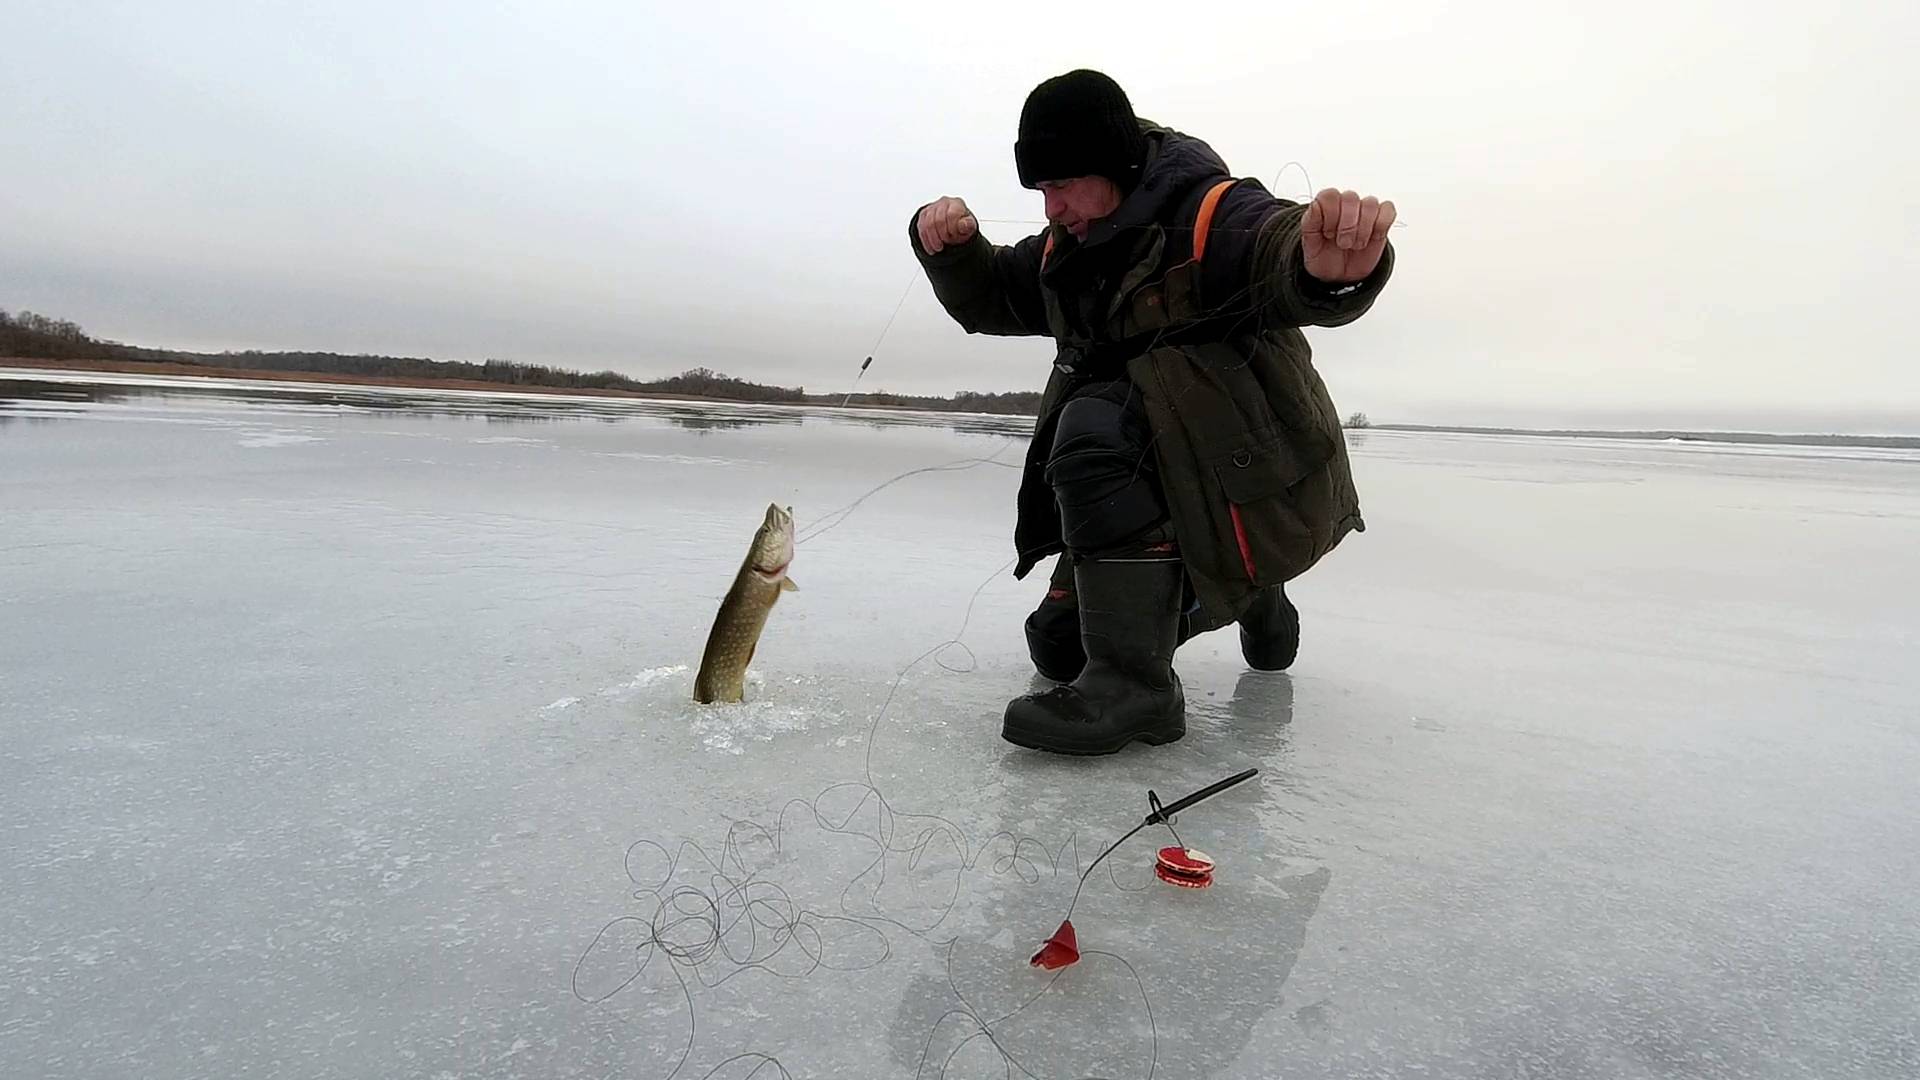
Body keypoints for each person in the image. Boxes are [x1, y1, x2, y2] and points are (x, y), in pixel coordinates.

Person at [908, 69, 1395, 756]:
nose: (1051, 207)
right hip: (1158, 482)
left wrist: (1330, 268)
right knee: (1055, 649)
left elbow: (1274, 242)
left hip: (1247, 477)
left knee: (1094, 426)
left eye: (1061, 185)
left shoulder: (1210, 214)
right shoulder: (1065, 252)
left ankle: (1140, 687)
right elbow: (993, 295)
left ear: (1112, 165)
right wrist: (950, 251)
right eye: (1041, 190)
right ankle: (1254, 594)